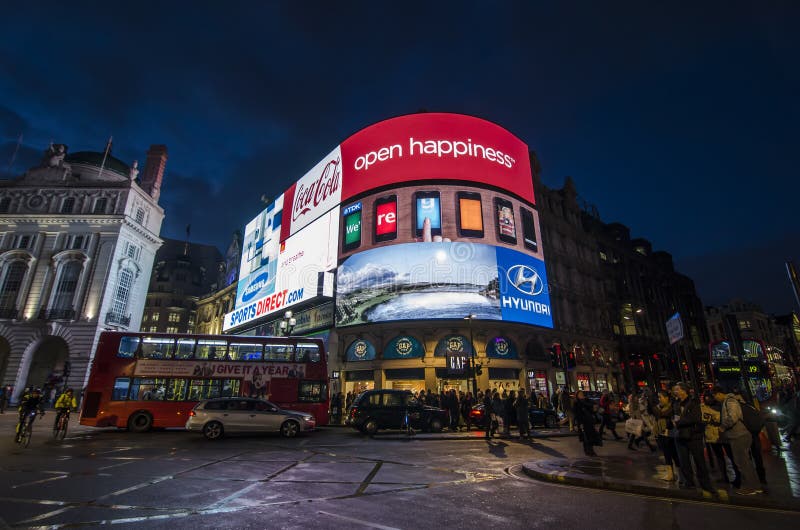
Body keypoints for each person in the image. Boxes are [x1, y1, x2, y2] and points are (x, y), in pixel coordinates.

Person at [712, 386, 761, 495]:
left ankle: (749, 487)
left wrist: (723, 426)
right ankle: (755, 485)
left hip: (739, 434)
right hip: (740, 434)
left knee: (741, 462)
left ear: (719, 393)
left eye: (715, 396)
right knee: (745, 462)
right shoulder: (732, 401)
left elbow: (733, 417)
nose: (715, 398)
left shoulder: (730, 402)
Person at [672, 382, 714, 494]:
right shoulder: (676, 403)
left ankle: (705, 484)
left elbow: (694, 418)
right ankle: (689, 482)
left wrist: (678, 423)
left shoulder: (694, 402)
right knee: (684, 461)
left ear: (684, 391)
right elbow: (674, 417)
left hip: (693, 436)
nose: (675, 391)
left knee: (699, 461)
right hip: (680, 435)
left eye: (677, 389)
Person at [654, 389, 678, 481]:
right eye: (658, 397)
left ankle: (680, 474)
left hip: (671, 433)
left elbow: (662, 414)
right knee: (666, 454)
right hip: (662, 433)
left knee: (674, 454)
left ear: (667, 398)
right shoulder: (658, 407)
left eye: (661, 397)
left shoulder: (672, 406)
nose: (659, 399)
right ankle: (670, 474)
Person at [574, 390, 599, 456]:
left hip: (589, 421)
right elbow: (577, 414)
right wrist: (579, 423)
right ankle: (588, 451)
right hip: (583, 422)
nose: (581, 395)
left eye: (582, 394)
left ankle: (590, 451)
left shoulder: (587, 401)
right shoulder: (577, 403)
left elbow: (592, 409)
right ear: (577, 396)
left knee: (590, 436)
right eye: (580, 394)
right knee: (585, 437)